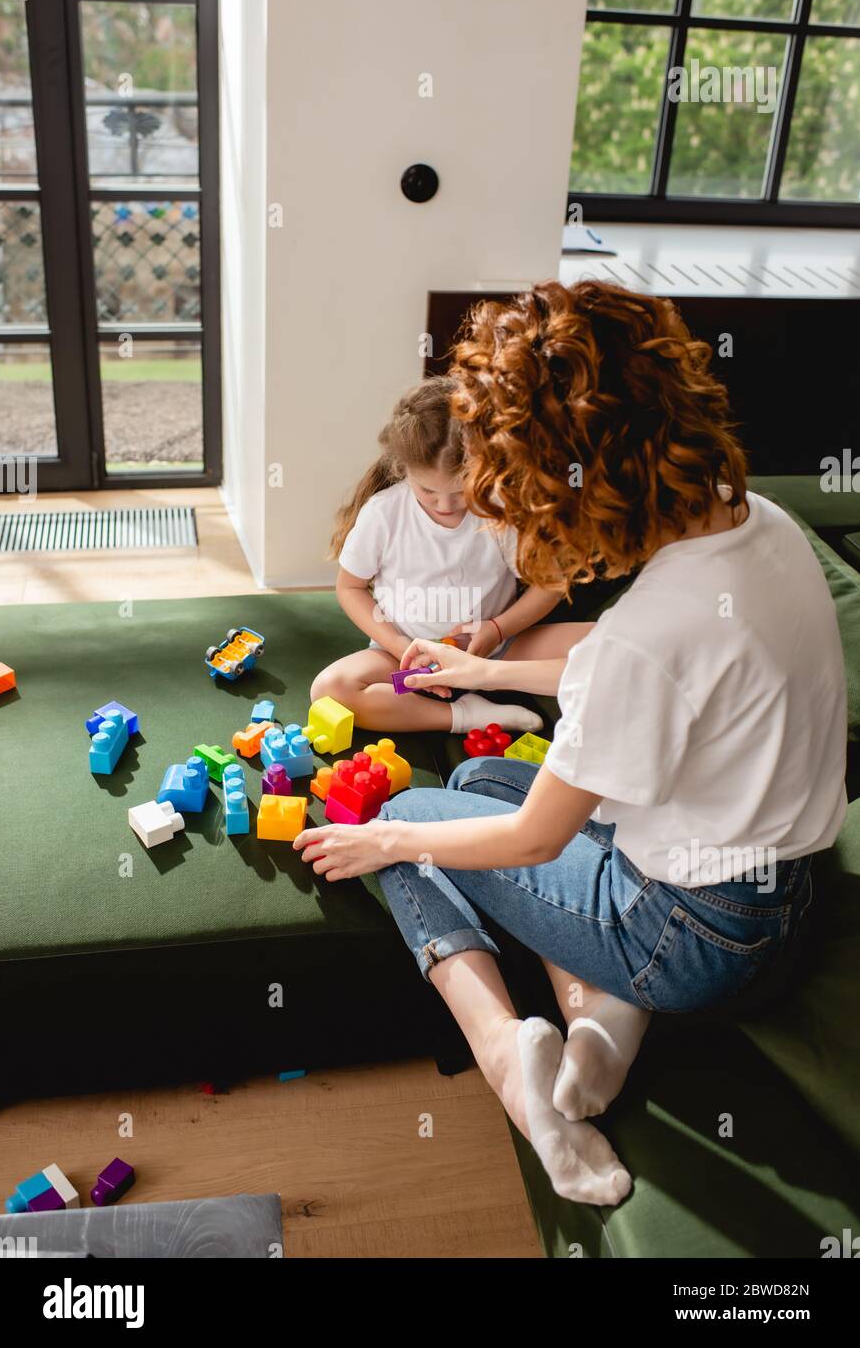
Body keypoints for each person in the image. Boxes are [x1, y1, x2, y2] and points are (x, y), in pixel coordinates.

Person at [295, 280, 847, 1206]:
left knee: (410, 810)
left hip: (689, 936)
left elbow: (535, 841)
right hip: (782, 894)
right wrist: (484, 674)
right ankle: (598, 1022)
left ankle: (509, 1059)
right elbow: (634, 666)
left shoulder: (651, 634)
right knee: (479, 768)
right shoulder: (763, 530)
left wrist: (380, 839)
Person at [312, 374, 574, 732]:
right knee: (330, 690)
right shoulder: (384, 513)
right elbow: (350, 588)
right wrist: (402, 647)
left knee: (606, 643)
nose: (445, 504)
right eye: (428, 491)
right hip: (404, 661)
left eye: (460, 489)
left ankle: (490, 680)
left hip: (497, 650)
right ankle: (466, 715)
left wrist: (497, 630)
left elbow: (551, 585)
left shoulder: (500, 508)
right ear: (403, 470)